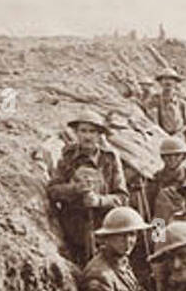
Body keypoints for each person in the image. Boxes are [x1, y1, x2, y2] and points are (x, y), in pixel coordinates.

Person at [47, 108, 128, 265]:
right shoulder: (68, 157)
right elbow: (53, 190)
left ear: (99, 135)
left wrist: (99, 201)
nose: (87, 136)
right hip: (73, 227)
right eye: (83, 131)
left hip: (103, 227)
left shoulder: (109, 158)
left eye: (92, 131)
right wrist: (74, 189)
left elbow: (123, 197)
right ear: (76, 133)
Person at [147, 133, 186, 222]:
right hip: (162, 224)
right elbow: (150, 210)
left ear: (184, 157)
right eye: (168, 156)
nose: (172, 159)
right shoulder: (156, 180)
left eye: (176, 155)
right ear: (162, 157)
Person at [145, 68, 186, 135]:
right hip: (159, 135)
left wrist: (180, 133)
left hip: (179, 136)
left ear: (176, 83)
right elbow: (149, 119)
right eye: (165, 79)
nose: (168, 82)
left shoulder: (181, 102)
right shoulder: (154, 100)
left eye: (171, 79)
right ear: (160, 82)